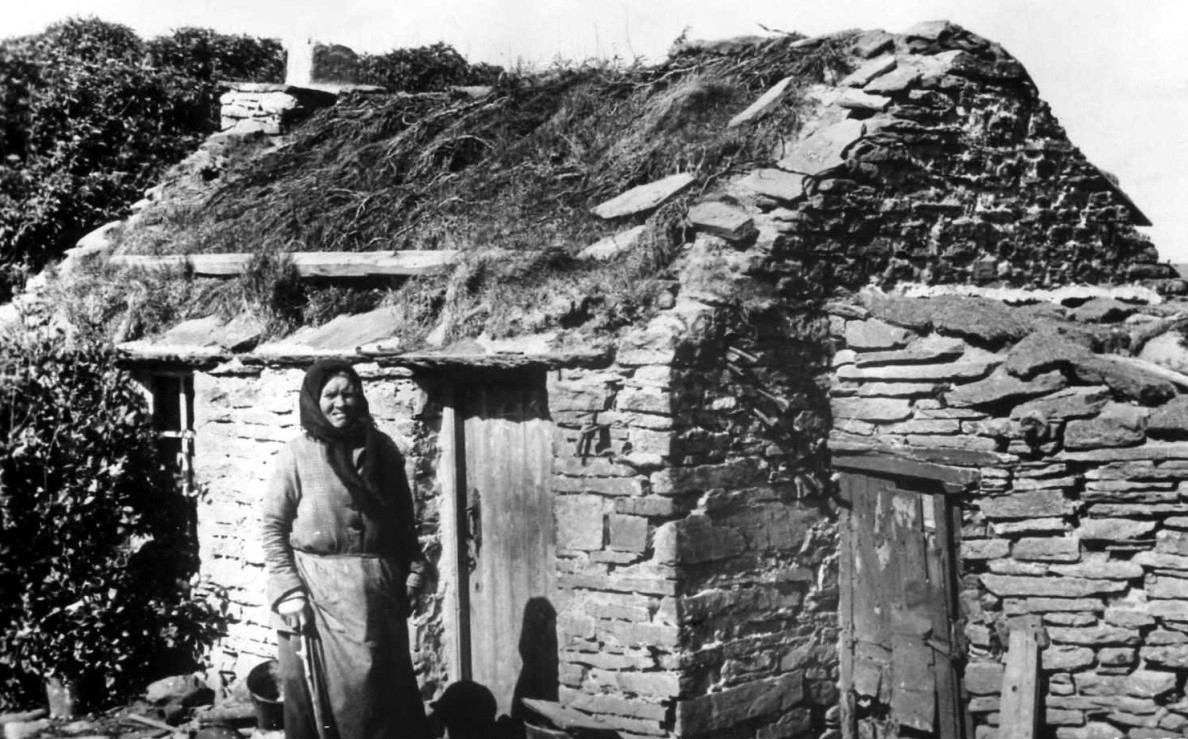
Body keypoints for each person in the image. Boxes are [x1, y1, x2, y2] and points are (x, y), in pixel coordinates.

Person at [261, 359, 430, 739]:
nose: (341, 403)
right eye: (330, 395)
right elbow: (273, 528)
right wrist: (288, 590)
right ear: (313, 400)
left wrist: (413, 574)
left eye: (349, 394)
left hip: (378, 594)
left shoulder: (382, 450)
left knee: (384, 701)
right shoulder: (297, 455)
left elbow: (404, 522)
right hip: (317, 594)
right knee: (324, 703)